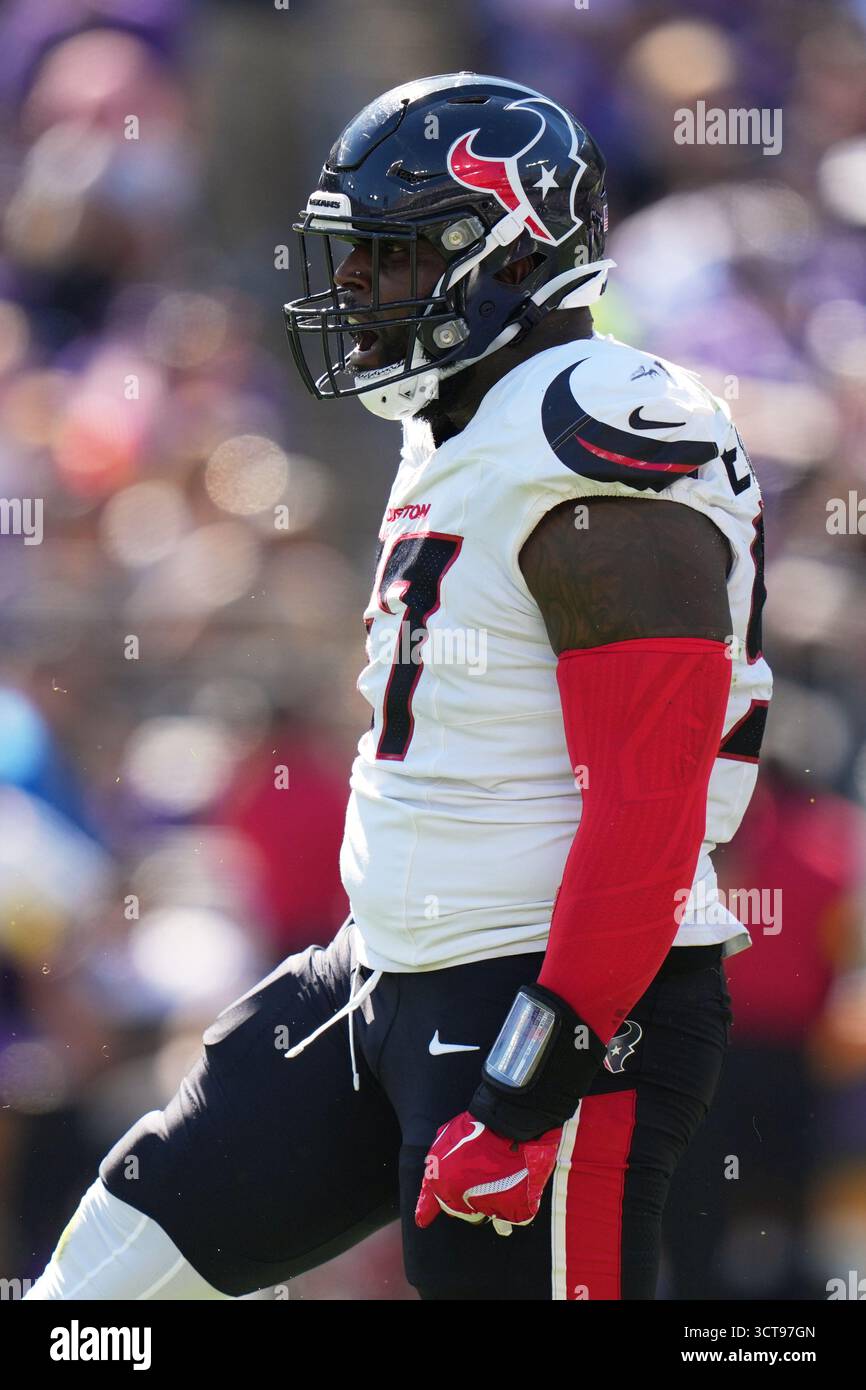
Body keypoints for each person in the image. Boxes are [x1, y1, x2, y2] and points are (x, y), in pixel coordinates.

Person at [26, 71, 772, 1301]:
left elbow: (647, 802)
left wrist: (537, 1068)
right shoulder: (466, 422)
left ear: (508, 252)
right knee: (98, 1297)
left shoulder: (597, 423)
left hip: (562, 995)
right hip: (384, 972)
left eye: (396, 254)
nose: (361, 288)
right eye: (355, 253)